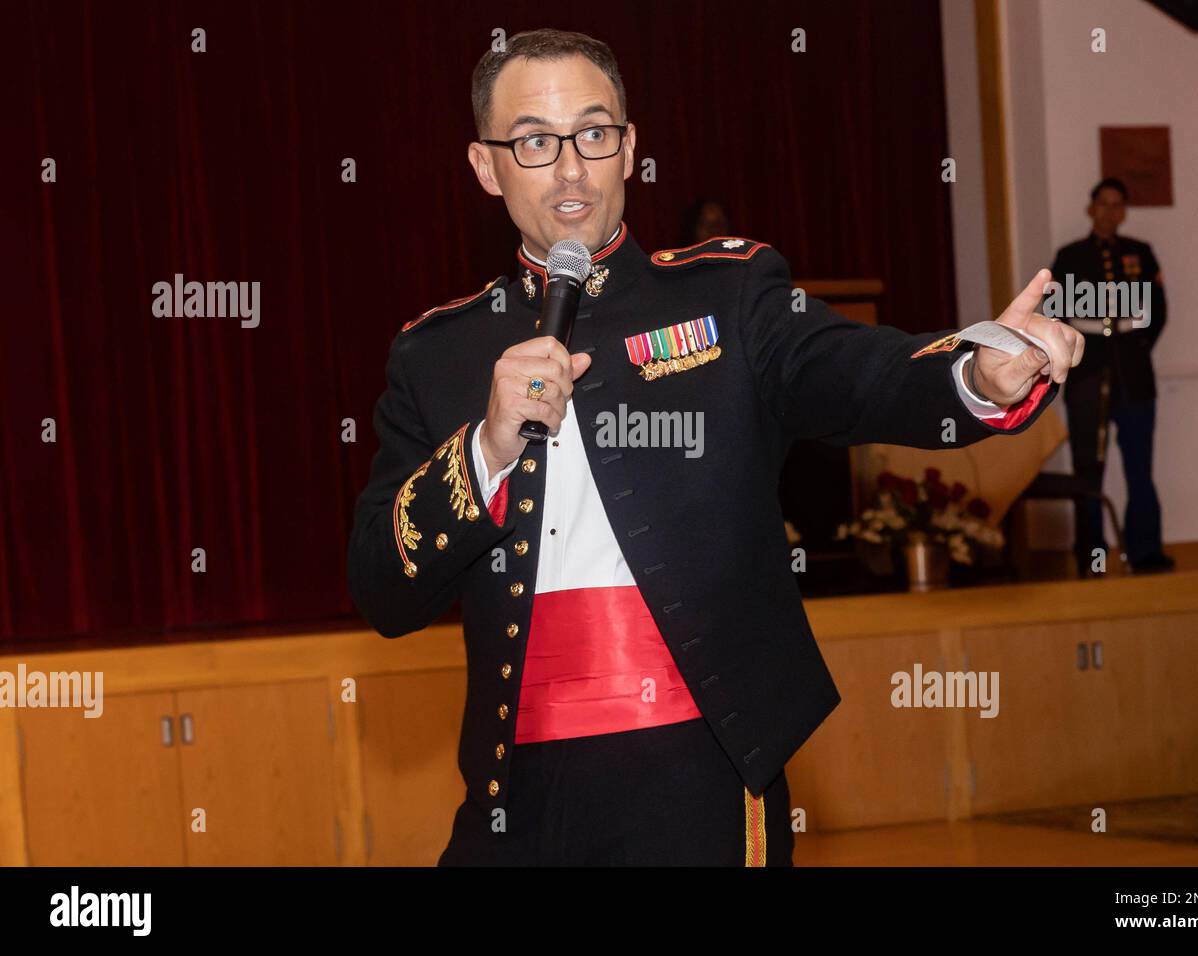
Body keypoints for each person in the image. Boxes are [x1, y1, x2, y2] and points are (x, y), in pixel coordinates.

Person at [346, 28, 1082, 866]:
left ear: (630, 150)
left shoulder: (727, 295)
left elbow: (856, 374)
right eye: (534, 143)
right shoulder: (436, 354)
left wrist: (977, 376)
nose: (570, 169)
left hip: (699, 771)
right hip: (517, 794)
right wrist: (486, 447)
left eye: (595, 134)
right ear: (486, 167)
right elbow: (381, 589)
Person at [1050, 178, 1174, 576]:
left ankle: (1145, 552)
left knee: (1141, 467)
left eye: (1117, 205)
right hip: (1088, 372)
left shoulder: (1140, 254)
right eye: (1103, 204)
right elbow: (1056, 312)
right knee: (1089, 469)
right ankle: (1092, 556)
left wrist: (1136, 348)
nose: (1109, 212)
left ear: (1124, 211)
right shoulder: (1070, 256)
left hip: (1133, 374)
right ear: (1091, 208)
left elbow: (1156, 311)